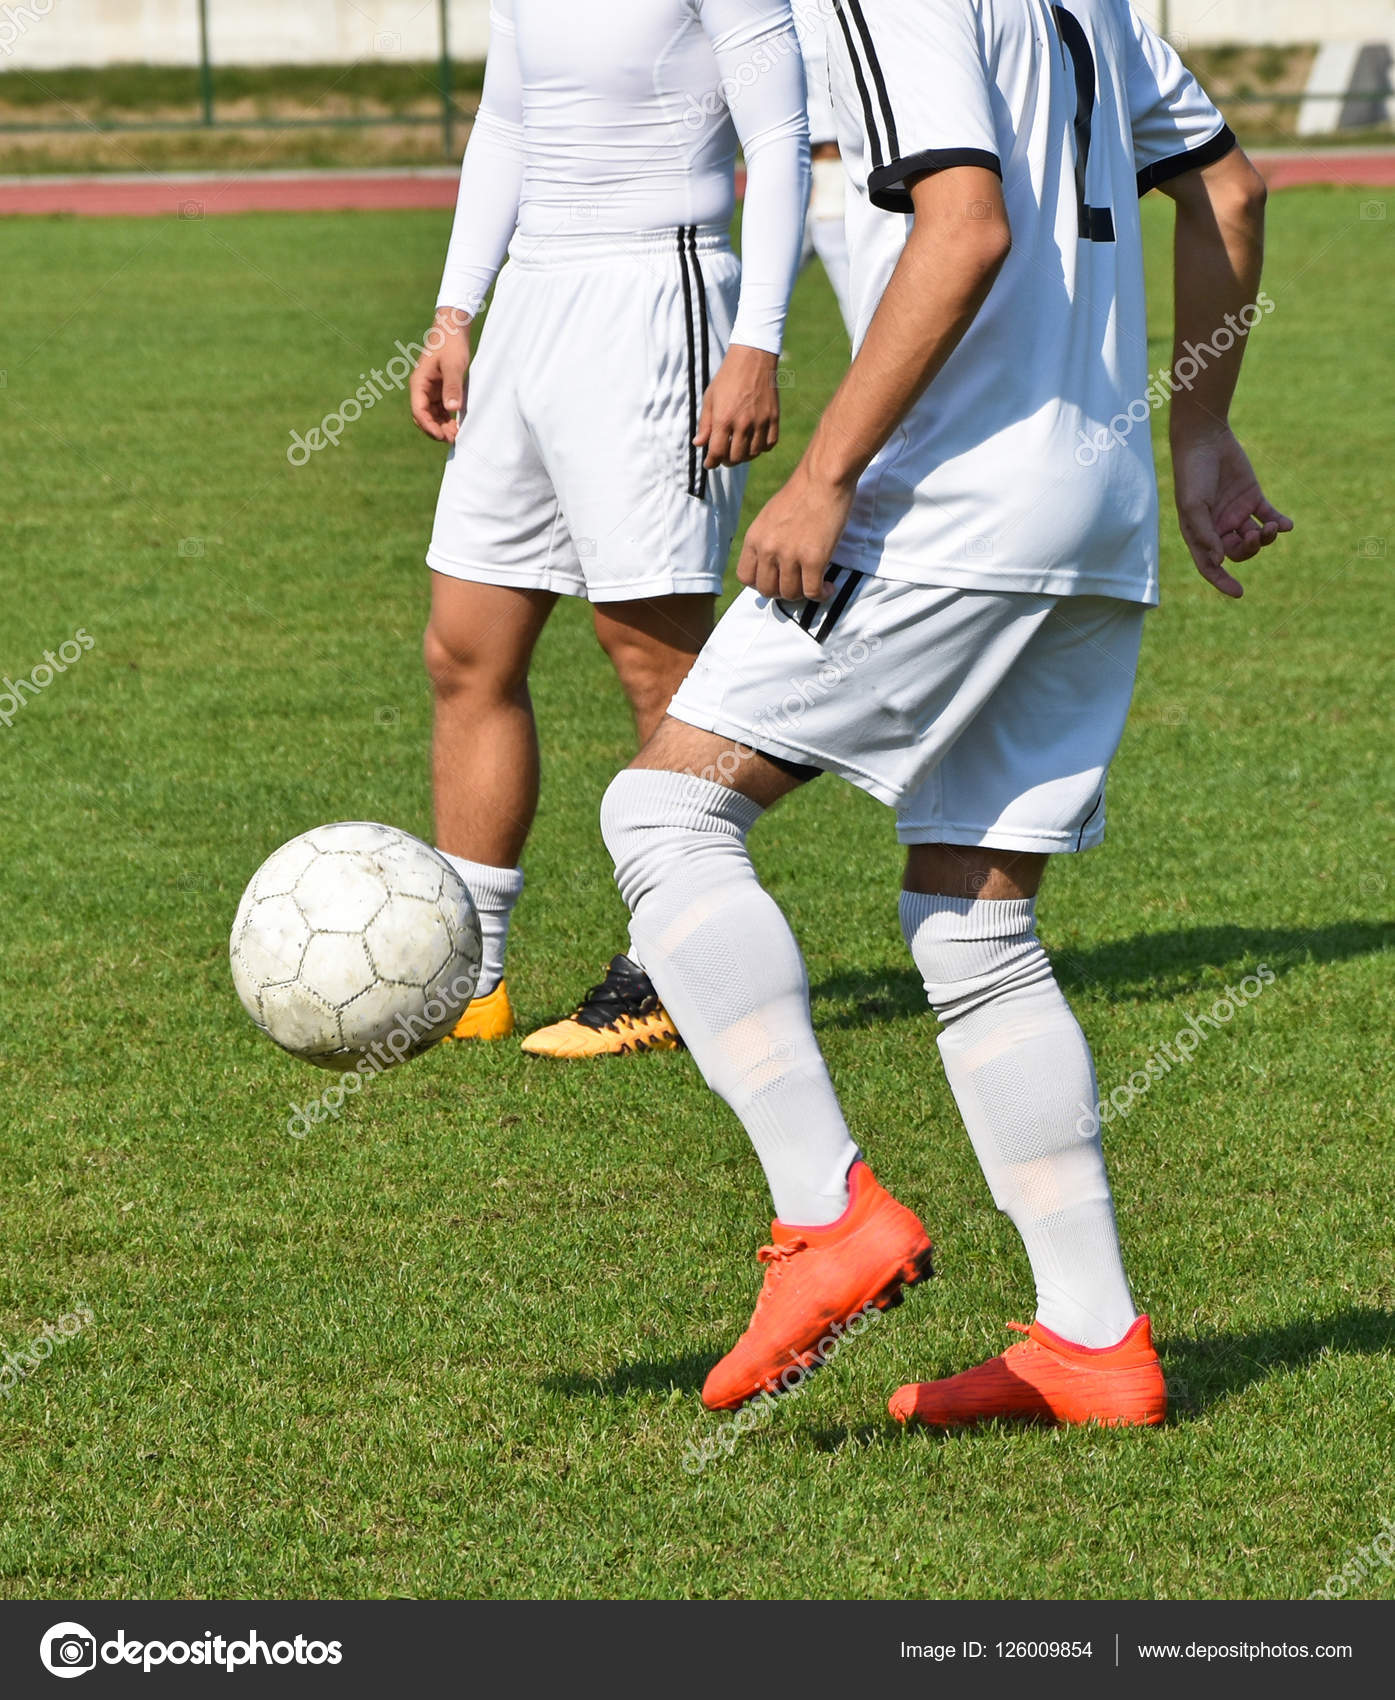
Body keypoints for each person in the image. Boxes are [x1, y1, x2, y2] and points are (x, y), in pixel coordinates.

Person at [600, 0, 1290, 1422]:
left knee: (663, 809)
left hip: (955, 505)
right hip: (1092, 517)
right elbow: (1227, 181)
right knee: (970, 920)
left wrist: (825, 473)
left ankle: (824, 1214)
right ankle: (1089, 1342)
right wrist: (1201, 429)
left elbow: (960, 225)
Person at [410, 0, 810, 1057]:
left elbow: (779, 139)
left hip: (657, 286)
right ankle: (472, 972)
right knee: (465, 645)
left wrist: (756, 342)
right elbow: (506, 125)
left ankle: (674, 969)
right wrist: (458, 312)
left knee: (654, 658)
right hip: (532, 303)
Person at [793, 1, 855, 334]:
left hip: (829, 158)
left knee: (843, 258)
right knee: (772, 270)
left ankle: (864, 344)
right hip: (805, 160)